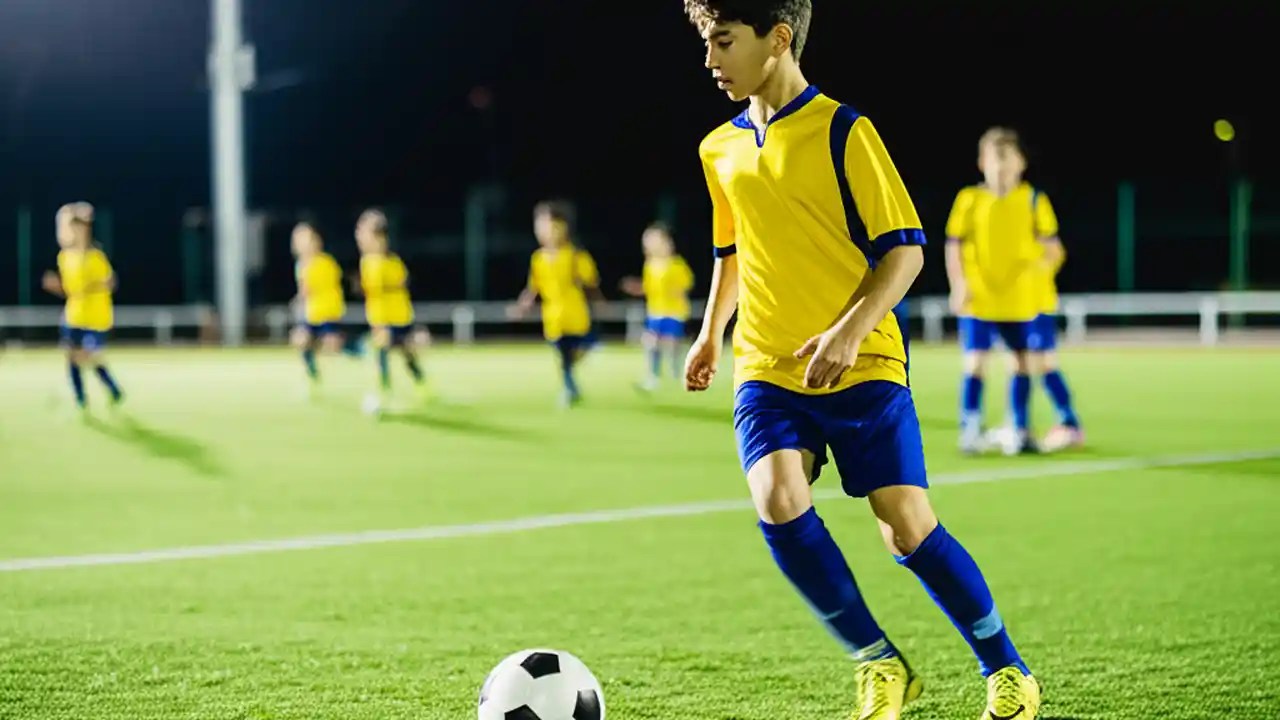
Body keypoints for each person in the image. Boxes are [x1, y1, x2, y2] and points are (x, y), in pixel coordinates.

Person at [681, 2, 1039, 718]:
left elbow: (904, 249)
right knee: (778, 500)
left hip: (863, 361)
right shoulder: (717, 147)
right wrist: (711, 331)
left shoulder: (846, 130)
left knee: (905, 526)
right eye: (705, 43)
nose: (710, 60)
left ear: (777, 39)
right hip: (768, 365)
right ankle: (878, 663)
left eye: (723, 41)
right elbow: (732, 251)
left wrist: (847, 331)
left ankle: (1007, 670)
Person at [945, 127, 1078, 455]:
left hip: (1020, 301)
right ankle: (970, 428)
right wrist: (958, 285)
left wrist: (1037, 275)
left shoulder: (1033, 200)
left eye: (1007, 160)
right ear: (982, 163)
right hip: (980, 298)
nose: (1001, 168)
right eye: (994, 160)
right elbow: (954, 247)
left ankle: (1020, 428)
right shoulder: (969, 200)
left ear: (1021, 163)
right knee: (976, 361)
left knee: (1023, 362)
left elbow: (1053, 249)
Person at [508, 200, 603, 407]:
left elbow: (591, 282)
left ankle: (571, 386)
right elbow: (533, 288)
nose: (545, 231)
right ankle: (570, 389)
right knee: (563, 356)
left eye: (550, 226)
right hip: (553, 317)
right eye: (540, 226)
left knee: (581, 349)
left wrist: (599, 300)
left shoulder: (575, 255)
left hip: (576, 314)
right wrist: (522, 306)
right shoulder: (538, 259)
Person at [42, 202, 124, 413]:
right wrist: (56, 286)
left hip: (96, 316)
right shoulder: (64, 257)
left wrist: (93, 286)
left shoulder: (96, 257)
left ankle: (113, 388)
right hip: (73, 315)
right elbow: (70, 290)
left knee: (88, 356)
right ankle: (80, 400)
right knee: (71, 357)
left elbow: (111, 282)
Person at [355, 209, 429, 414]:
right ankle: (383, 392)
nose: (359, 237)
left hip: (399, 318)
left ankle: (420, 385)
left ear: (379, 237)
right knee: (380, 351)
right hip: (382, 320)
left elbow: (400, 287)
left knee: (406, 355)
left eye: (363, 232)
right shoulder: (367, 262)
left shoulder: (392, 263)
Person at [619, 221, 694, 391]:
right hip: (656, 312)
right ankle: (652, 376)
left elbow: (686, 285)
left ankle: (678, 371)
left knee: (672, 345)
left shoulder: (677, 264)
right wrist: (635, 287)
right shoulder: (650, 265)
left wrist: (675, 291)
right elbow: (648, 287)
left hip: (675, 312)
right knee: (650, 342)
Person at [291, 222, 358, 396]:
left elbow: (330, 287)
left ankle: (358, 348)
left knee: (332, 344)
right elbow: (304, 291)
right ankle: (313, 377)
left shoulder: (326, 262)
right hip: (312, 314)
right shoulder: (300, 266)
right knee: (302, 341)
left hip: (328, 312)